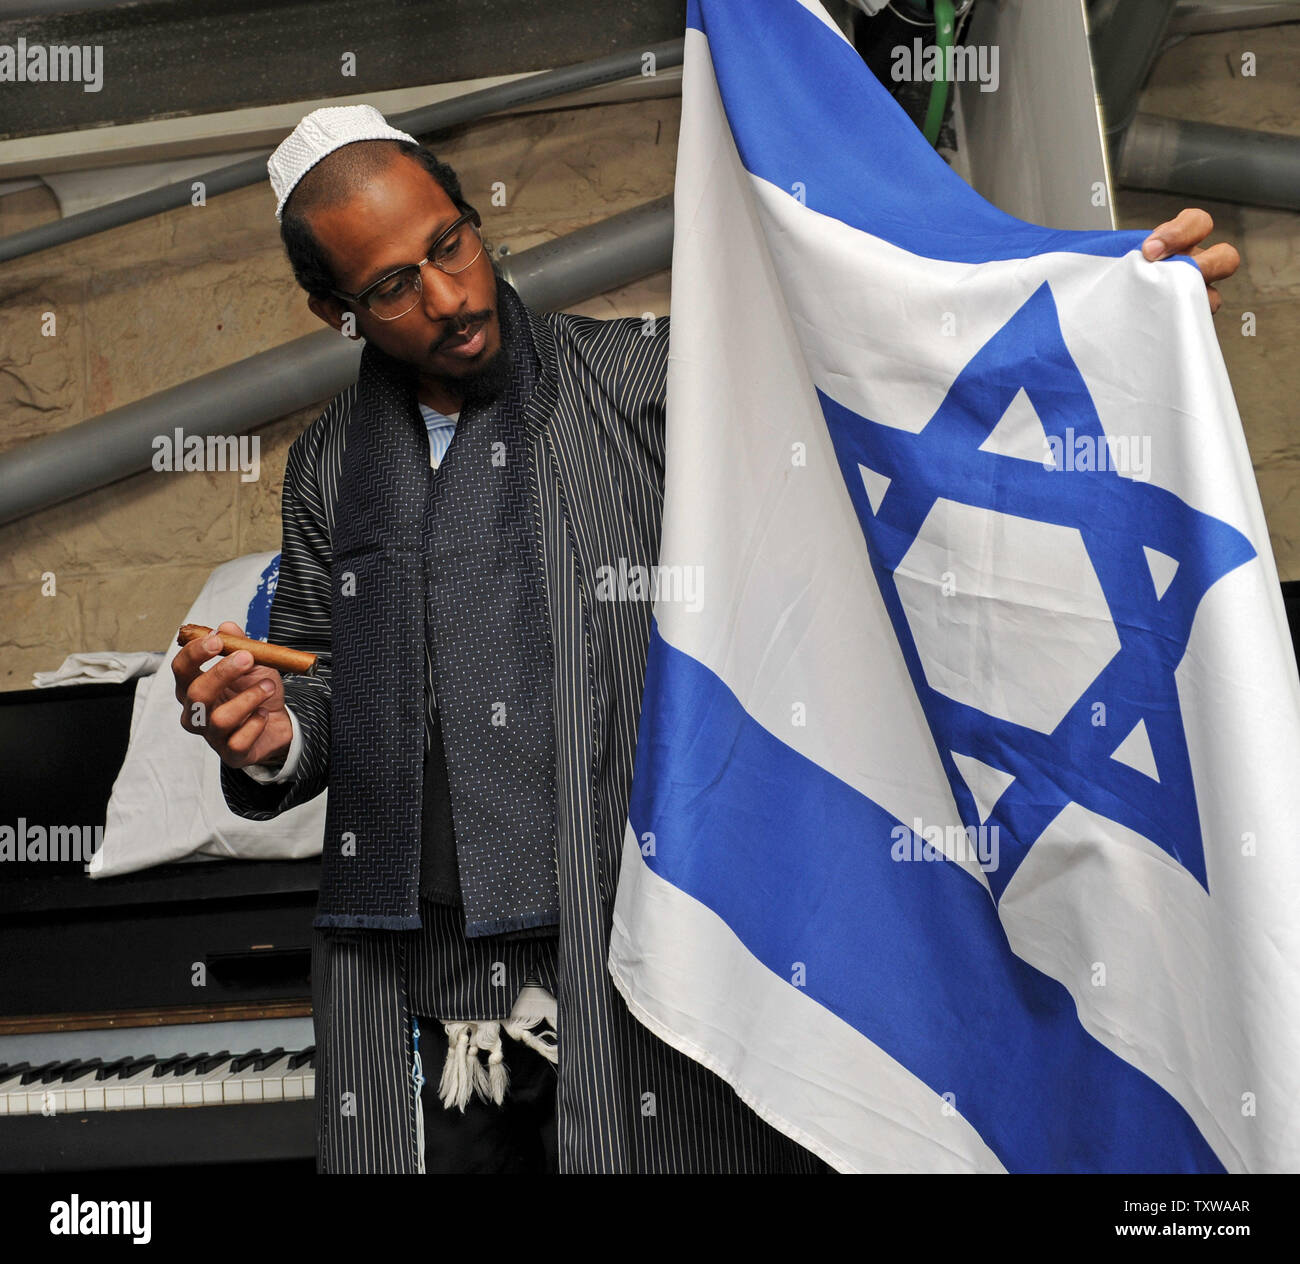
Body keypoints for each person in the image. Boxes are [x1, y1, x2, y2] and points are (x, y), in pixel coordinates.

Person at [171, 105, 1239, 1174]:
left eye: (450, 244)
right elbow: (320, 690)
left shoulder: (643, 382)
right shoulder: (327, 468)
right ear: (334, 311)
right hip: (424, 980)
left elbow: (882, 376)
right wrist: (266, 741)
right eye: (394, 287)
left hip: (642, 940)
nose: (448, 296)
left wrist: (1107, 310)